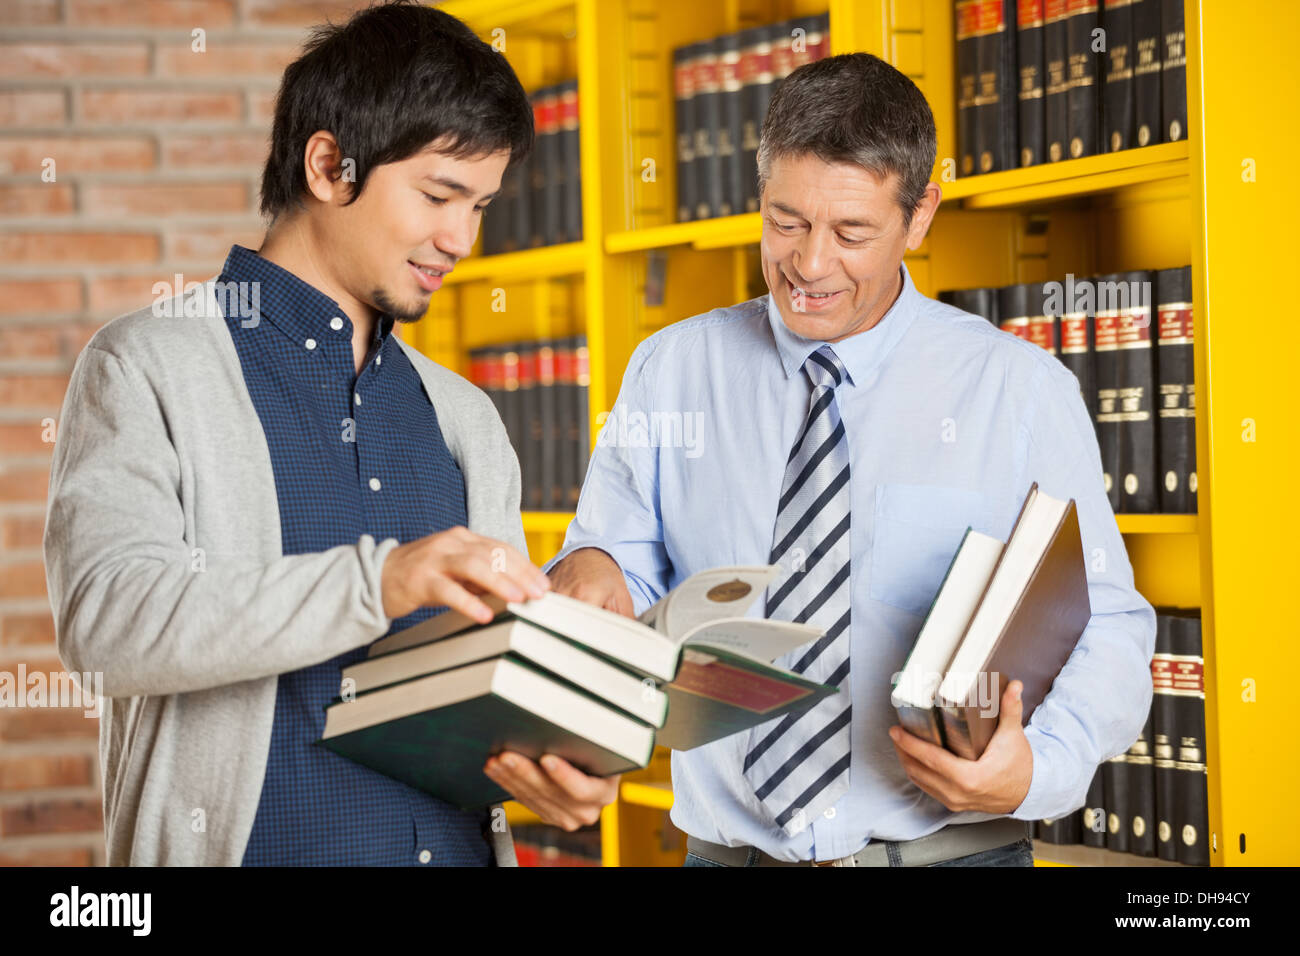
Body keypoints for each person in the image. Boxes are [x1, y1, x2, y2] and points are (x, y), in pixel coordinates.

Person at [546, 52, 1156, 866]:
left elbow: (1107, 619)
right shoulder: (672, 370)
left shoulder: (1018, 389)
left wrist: (1037, 769)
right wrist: (591, 567)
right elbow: (616, 555)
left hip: (951, 854)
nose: (809, 264)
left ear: (920, 215)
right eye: (786, 221)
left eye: (851, 232)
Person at [43, 1, 616, 867]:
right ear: (328, 165)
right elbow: (107, 622)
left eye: (481, 205)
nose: (460, 239)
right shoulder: (147, 366)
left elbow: (492, 687)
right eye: (438, 194)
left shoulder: (463, 417)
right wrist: (378, 580)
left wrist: (561, 757)